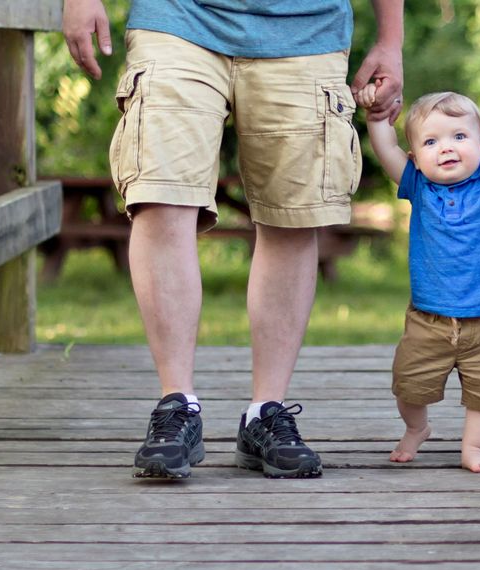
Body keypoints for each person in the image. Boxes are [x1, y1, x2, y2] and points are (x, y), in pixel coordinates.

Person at [62, 0, 404, 479]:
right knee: (160, 196)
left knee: (292, 215)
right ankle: (176, 406)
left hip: (307, 31)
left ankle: (266, 413)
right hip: (176, 18)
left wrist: (391, 40)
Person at [355, 83, 480, 472]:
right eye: (431, 142)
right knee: (409, 386)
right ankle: (417, 428)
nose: (446, 148)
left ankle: (473, 448)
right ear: (416, 159)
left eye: (459, 136)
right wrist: (377, 120)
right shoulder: (418, 184)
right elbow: (388, 151)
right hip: (429, 317)